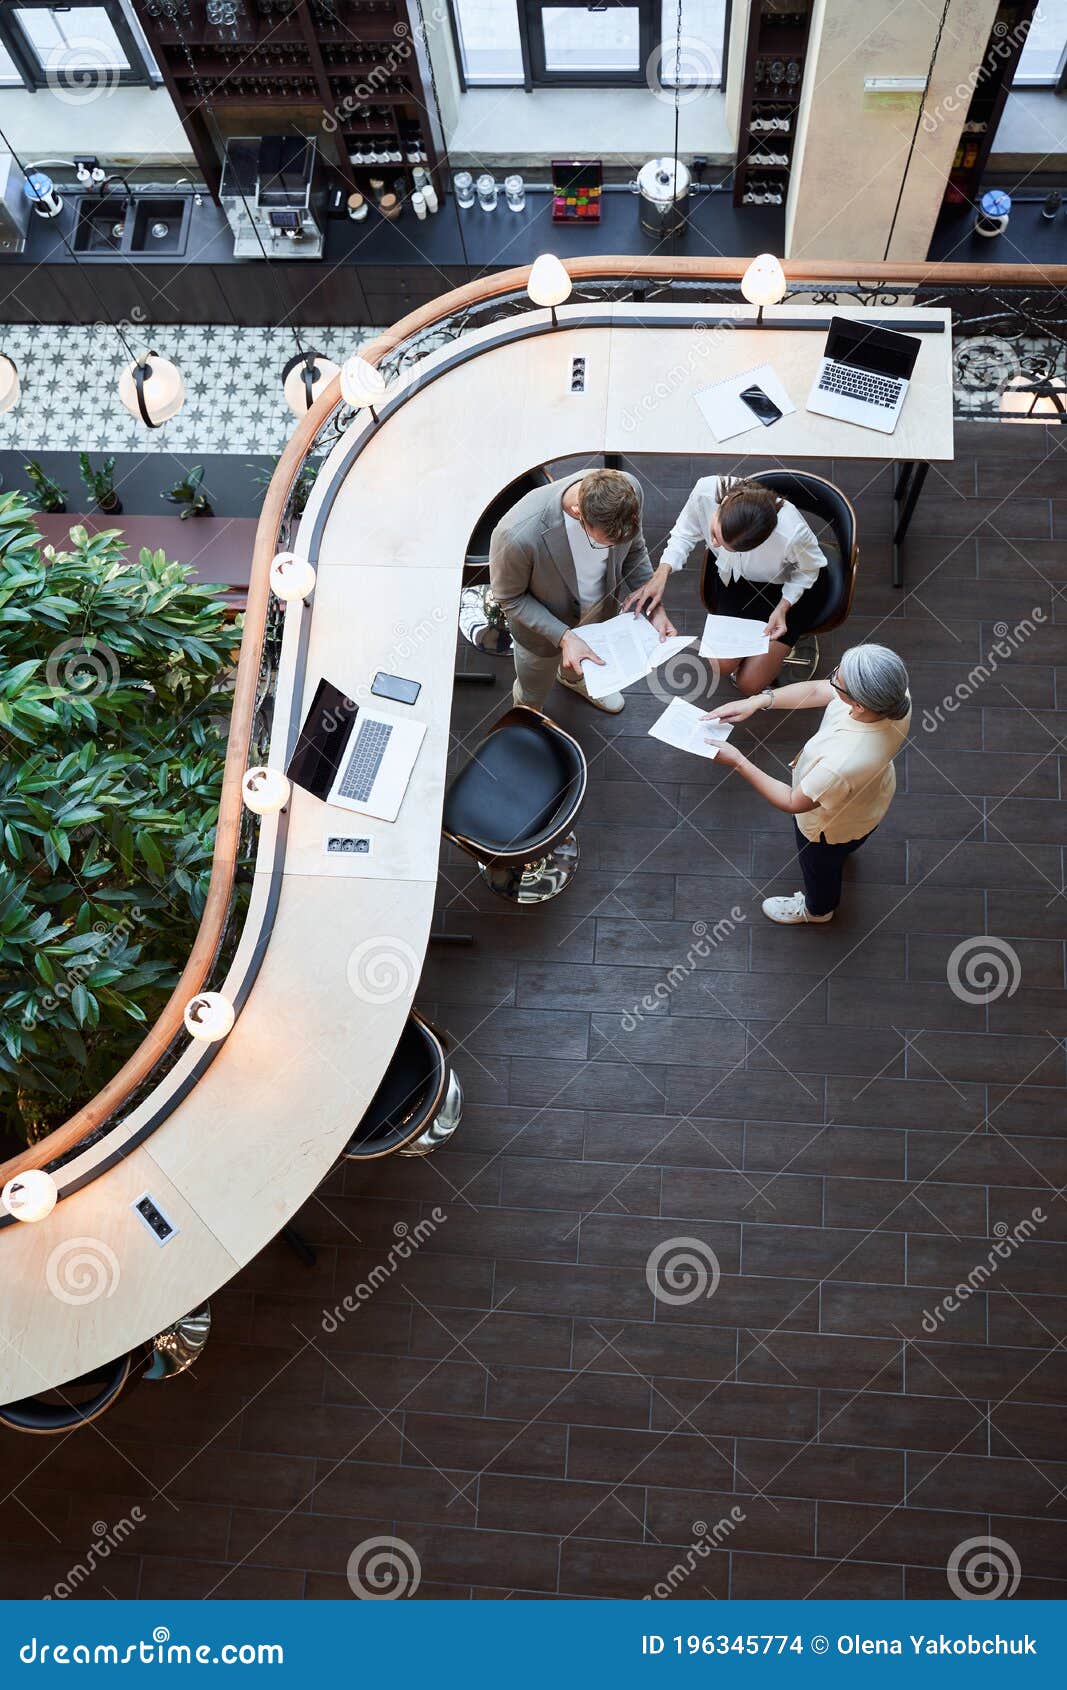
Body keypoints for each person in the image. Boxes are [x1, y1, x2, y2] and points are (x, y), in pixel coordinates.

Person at [703, 643, 911, 925]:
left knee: (820, 869)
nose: (833, 675)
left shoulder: (841, 763)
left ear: (859, 704)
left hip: (827, 827)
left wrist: (739, 761)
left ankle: (818, 910)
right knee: (848, 844)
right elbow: (817, 691)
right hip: (869, 800)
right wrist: (757, 701)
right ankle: (845, 850)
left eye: (839, 677)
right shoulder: (895, 697)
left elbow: (793, 801)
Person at [490, 468, 675, 715]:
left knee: (579, 666)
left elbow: (634, 550)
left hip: (599, 613)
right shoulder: (516, 534)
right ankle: (529, 715)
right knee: (532, 691)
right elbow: (510, 598)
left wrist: (654, 607)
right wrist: (565, 636)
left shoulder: (629, 491)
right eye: (604, 543)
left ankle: (572, 679)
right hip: (542, 630)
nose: (611, 548)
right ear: (578, 513)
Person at [623, 475, 827, 695]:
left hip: (785, 589)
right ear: (725, 502)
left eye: (731, 548)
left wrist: (784, 606)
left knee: (749, 685)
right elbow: (684, 533)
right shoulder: (705, 491)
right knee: (720, 666)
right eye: (713, 534)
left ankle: (796, 640)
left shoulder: (792, 533)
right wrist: (661, 573)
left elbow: (809, 570)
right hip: (735, 581)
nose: (713, 544)